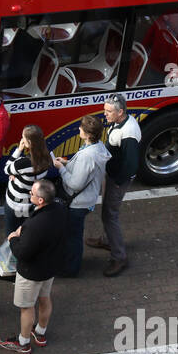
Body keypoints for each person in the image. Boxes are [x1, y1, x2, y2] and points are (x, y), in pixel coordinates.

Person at [0, 179, 64, 354]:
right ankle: (40, 333)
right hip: (49, 268)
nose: (30, 195)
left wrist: (13, 239)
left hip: (31, 273)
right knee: (45, 299)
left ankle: (23, 342)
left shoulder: (35, 226)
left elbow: (22, 252)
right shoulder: (59, 209)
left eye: (32, 194)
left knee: (26, 308)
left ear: (41, 200)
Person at [55, 115, 112, 277]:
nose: (78, 129)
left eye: (81, 128)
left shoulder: (88, 155)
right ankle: (72, 263)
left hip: (77, 203)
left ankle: (71, 268)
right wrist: (67, 163)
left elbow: (75, 184)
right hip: (87, 200)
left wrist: (60, 167)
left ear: (88, 134)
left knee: (73, 237)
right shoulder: (98, 147)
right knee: (74, 235)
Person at [91, 93, 141, 277]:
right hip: (113, 176)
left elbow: (131, 164)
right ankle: (106, 240)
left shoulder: (128, 134)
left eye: (108, 111)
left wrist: (118, 183)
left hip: (117, 179)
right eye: (105, 110)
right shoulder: (121, 122)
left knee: (109, 215)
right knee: (108, 212)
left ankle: (119, 256)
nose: (105, 114)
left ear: (120, 112)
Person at [4, 124, 54, 236]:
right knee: (23, 231)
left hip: (15, 202)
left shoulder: (23, 163)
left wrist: (18, 150)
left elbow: (6, 169)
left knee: (11, 233)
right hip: (28, 202)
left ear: (29, 143)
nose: (21, 139)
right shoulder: (47, 158)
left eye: (23, 137)